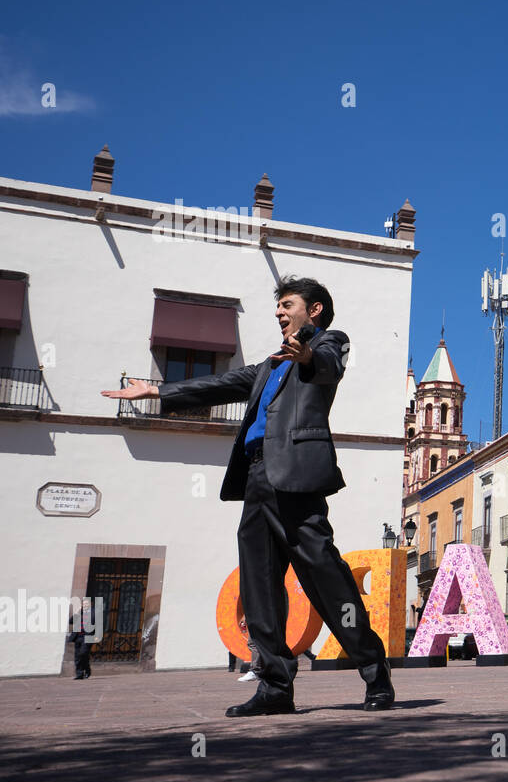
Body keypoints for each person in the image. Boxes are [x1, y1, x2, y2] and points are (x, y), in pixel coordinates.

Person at [102, 277, 394, 717]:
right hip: (256, 479)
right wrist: (158, 391)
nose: (279, 312)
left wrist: (309, 354)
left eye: (287, 304)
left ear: (313, 310)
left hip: (296, 478)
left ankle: (374, 672)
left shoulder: (330, 341)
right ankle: (275, 687)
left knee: (325, 577)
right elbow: (218, 384)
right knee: (258, 585)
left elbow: (329, 364)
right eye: (277, 306)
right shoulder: (268, 365)